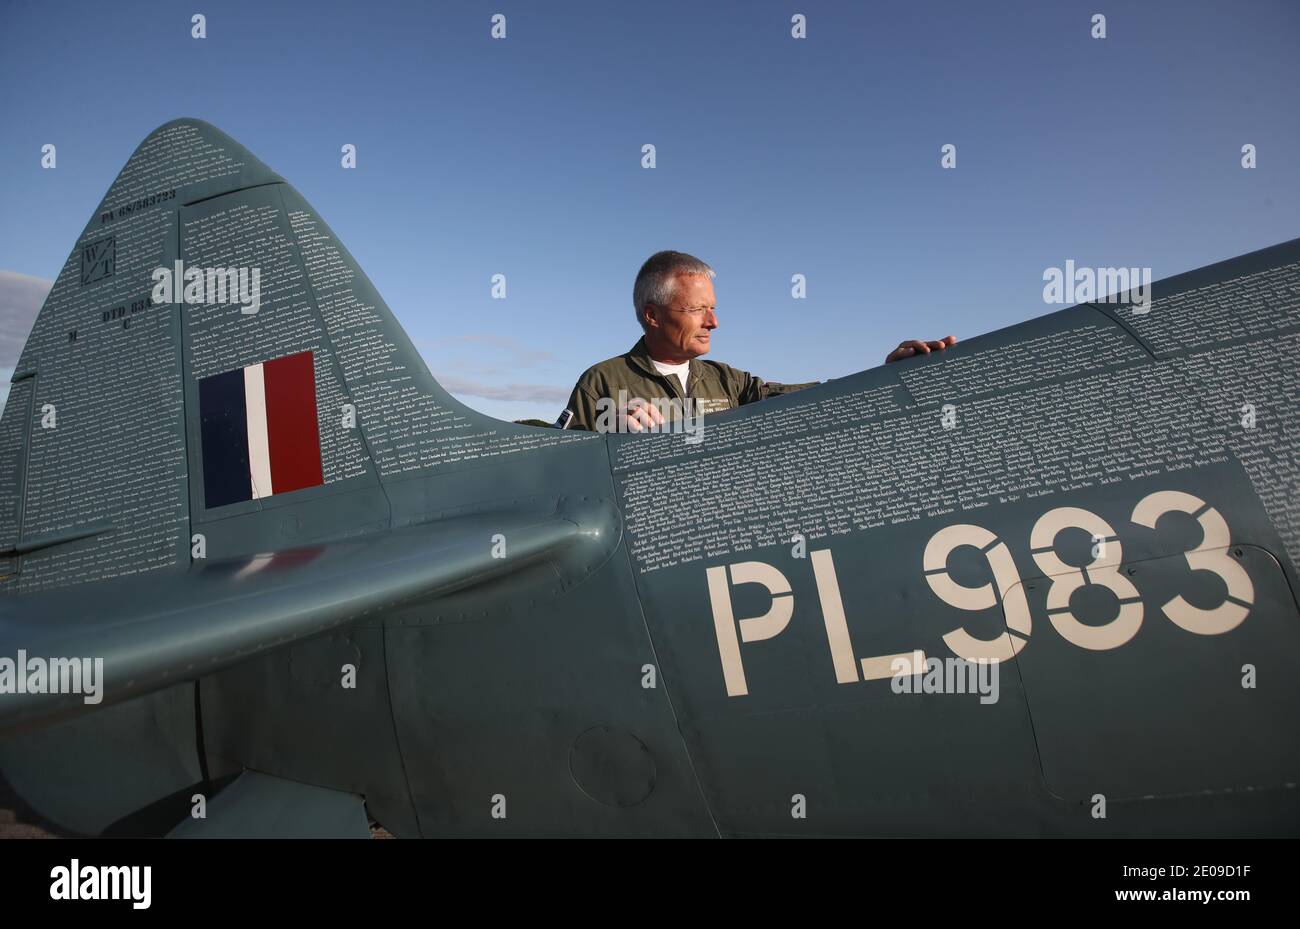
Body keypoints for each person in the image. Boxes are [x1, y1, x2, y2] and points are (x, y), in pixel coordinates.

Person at [556, 250, 956, 433]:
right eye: (697, 310)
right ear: (652, 315)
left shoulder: (728, 381)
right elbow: (560, 474)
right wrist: (610, 446)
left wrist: (883, 375)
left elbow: (806, 400)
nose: (713, 322)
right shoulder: (600, 384)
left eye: (712, 308)